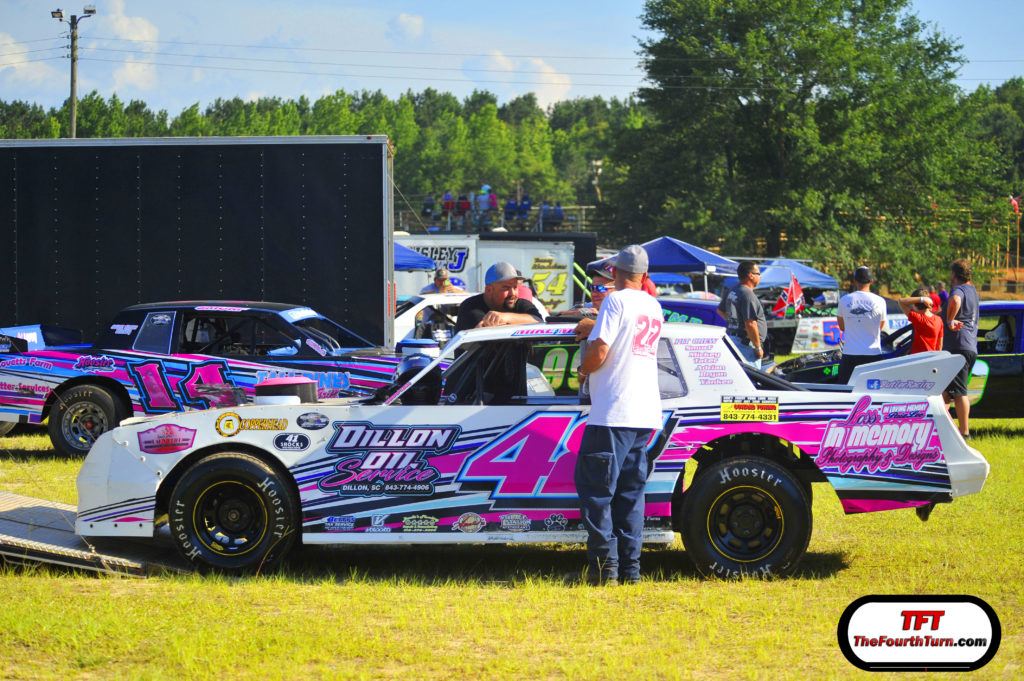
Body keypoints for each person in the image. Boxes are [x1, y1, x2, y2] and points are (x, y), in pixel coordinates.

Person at [574, 244, 663, 586]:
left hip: (613, 412)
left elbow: (600, 350)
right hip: (645, 414)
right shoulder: (653, 305)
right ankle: (631, 571)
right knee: (630, 495)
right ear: (644, 275)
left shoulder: (614, 300)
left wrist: (583, 371)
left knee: (597, 493)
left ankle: (604, 570)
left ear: (614, 272)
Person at [942, 259, 980, 438]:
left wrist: (950, 321)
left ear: (954, 275)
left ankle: (964, 433)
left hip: (958, 346)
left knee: (959, 392)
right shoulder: (973, 291)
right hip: (969, 346)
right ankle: (944, 430)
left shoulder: (958, 290)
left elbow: (955, 300)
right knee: (945, 391)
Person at [454, 262, 542, 332]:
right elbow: (484, 329)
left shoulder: (520, 303)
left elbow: (539, 321)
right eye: (506, 288)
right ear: (489, 290)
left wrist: (505, 317)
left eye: (515, 287)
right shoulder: (471, 306)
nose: (513, 293)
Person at [836, 266, 886, 383]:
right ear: (871, 281)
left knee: (845, 390)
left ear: (855, 280)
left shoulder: (844, 300)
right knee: (874, 390)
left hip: (850, 354)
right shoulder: (880, 301)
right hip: (873, 354)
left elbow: (842, 327)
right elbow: (880, 327)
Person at [717, 261, 767, 368]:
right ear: (751, 275)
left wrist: (735, 322)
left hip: (735, 340)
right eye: (758, 273)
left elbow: (720, 311)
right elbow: (750, 323)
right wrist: (757, 347)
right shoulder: (747, 294)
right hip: (746, 345)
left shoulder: (733, 290)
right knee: (750, 381)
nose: (760, 276)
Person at [897, 287, 943, 354]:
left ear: (915, 305)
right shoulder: (939, 320)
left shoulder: (918, 318)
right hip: (933, 358)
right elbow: (940, 346)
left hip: (917, 359)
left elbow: (901, 301)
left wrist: (922, 299)